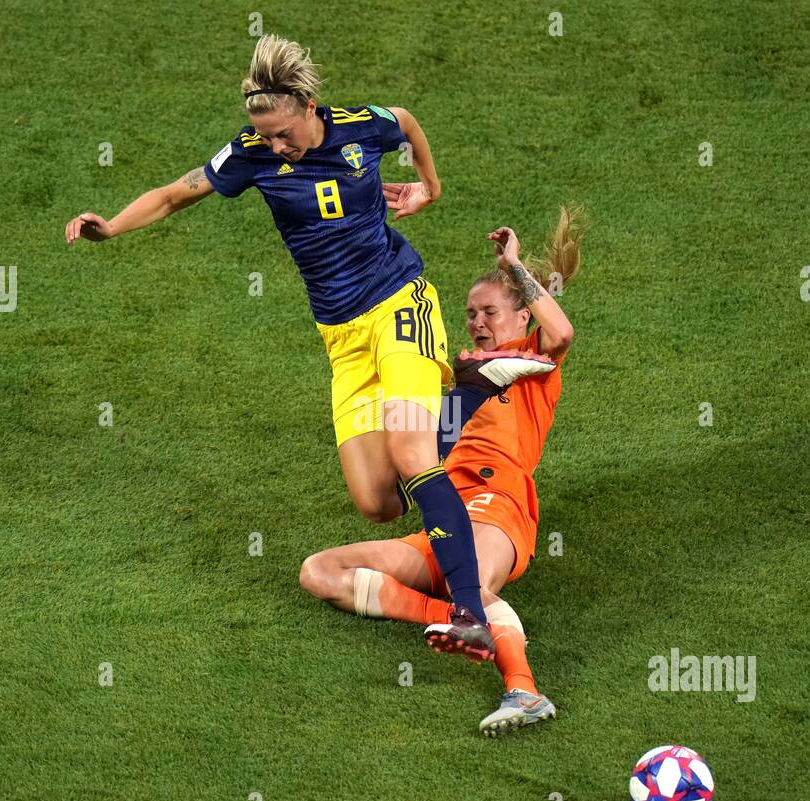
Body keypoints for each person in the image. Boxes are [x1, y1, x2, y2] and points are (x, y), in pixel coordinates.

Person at [64, 35, 549, 657]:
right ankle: (471, 393)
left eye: (283, 134)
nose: (275, 146)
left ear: (310, 106)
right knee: (376, 501)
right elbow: (175, 193)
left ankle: (470, 612)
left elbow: (405, 120)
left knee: (410, 452)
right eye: (264, 136)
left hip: (400, 304)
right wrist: (112, 225)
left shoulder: (359, 128)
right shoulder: (250, 155)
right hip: (342, 339)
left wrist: (430, 185)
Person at [299, 208, 583, 734]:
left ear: (523, 317)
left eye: (490, 312)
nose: (477, 322)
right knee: (318, 572)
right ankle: (455, 615)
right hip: (445, 517)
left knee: (472, 585)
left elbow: (561, 331)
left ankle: (523, 690)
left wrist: (515, 264)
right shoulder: (460, 372)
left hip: (497, 506)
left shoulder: (534, 363)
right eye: (471, 312)